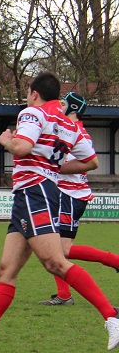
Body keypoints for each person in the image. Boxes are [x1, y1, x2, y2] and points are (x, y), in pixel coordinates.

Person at [0, 73, 119, 353]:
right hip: (39, 192)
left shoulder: (32, 113)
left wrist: (6, 140)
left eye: (28, 92)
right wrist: (53, 168)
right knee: (7, 269)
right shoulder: (69, 124)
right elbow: (91, 162)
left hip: (33, 192)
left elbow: (23, 147)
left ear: (34, 92)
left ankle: (111, 316)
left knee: (55, 262)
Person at [37, 92, 119, 305]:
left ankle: (114, 260)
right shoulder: (67, 130)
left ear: (72, 109)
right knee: (53, 247)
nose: (59, 106)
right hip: (67, 195)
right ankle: (64, 294)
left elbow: (90, 164)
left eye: (63, 103)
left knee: (60, 250)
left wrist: (54, 168)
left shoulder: (76, 132)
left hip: (70, 196)